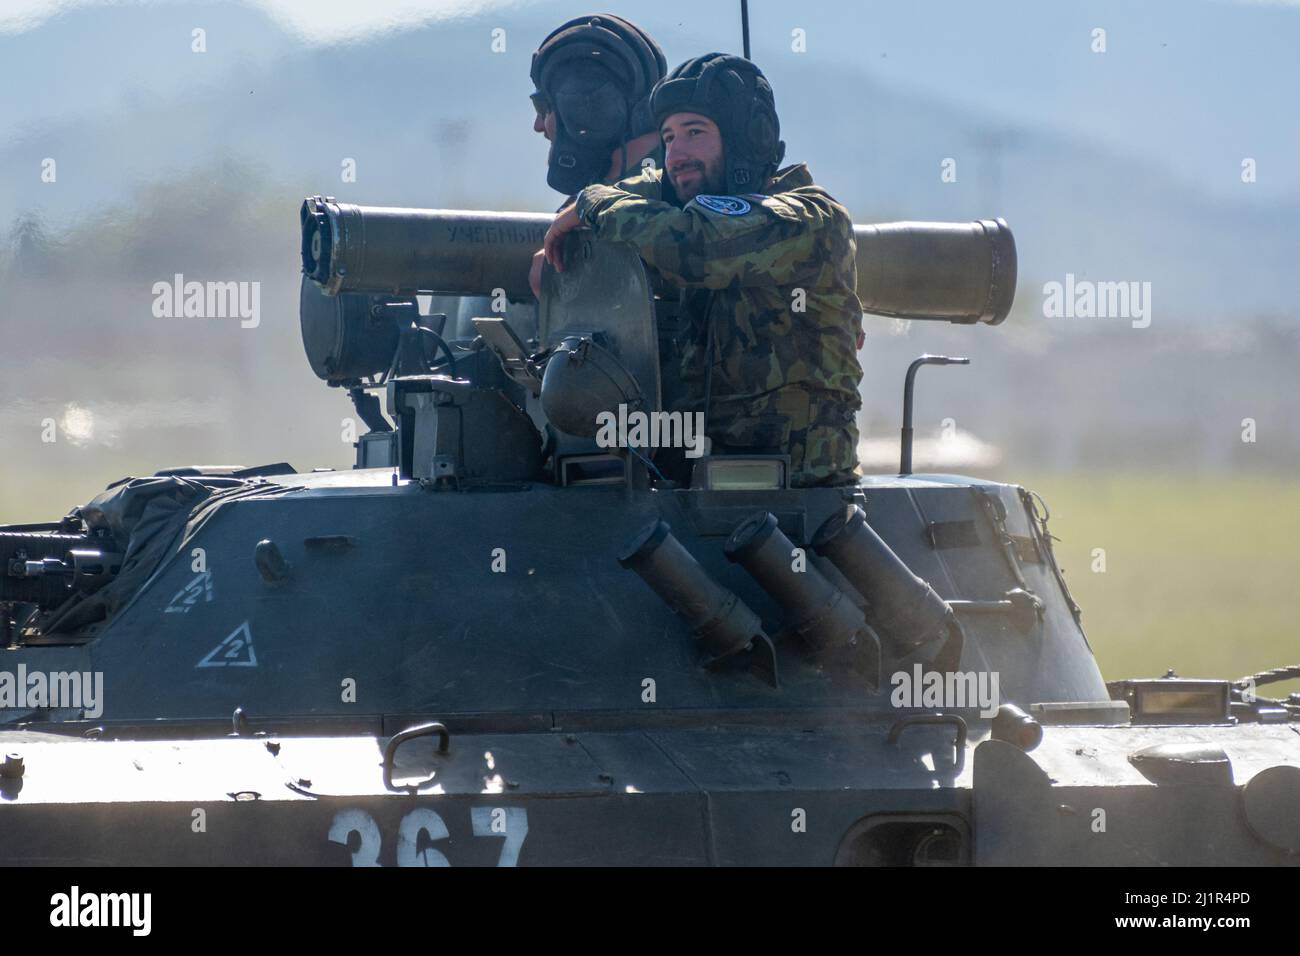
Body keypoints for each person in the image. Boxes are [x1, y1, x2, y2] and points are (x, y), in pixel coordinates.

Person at [542, 53, 864, 487]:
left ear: (748, 139)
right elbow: (652, 185)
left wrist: (593, 204)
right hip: (702, 485)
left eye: (695, 133)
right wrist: (582, 218)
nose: (677, 154)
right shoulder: (693, 204)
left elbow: (694, 247)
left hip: (802, 496)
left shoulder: (808, 220)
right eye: (669, 138)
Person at [527, 14, 667, 297]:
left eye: (544, 108)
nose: (538, 126)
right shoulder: (595, 198)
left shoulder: (673, 195)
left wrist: (569, 283)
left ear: (586, 112)